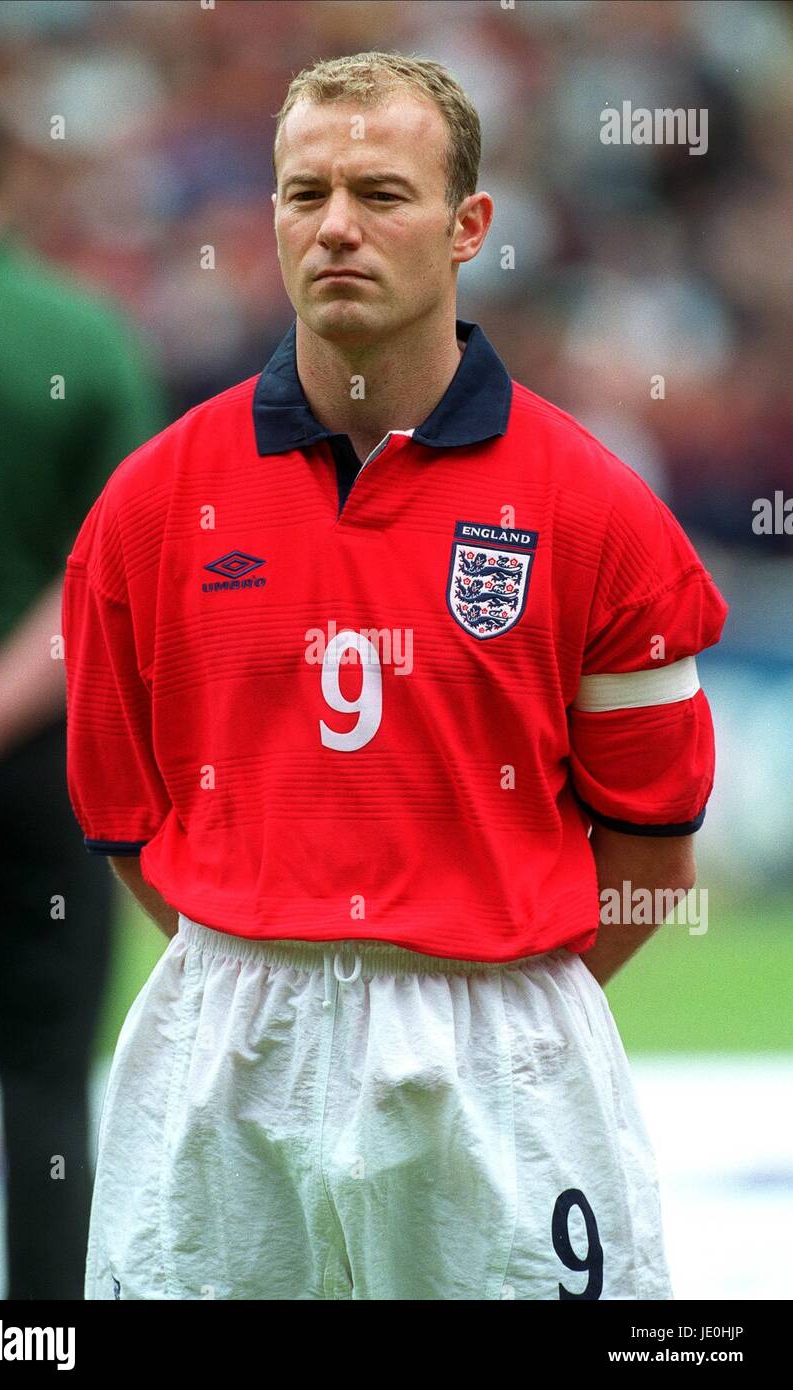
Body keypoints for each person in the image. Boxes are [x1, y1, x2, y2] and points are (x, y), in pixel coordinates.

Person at [64, 53, 728, 1301]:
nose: (334, 229)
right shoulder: (153, 504)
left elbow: (651, 857)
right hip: (227, 1045)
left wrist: (482, 992)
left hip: (502, 1048)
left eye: (380, 193)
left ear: (468, 225)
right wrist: (284, 956)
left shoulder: (596, 511)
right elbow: (127, 821)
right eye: (302, 193)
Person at [0, 79, 167, 1299]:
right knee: (46, 1084)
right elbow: (112, 573)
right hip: (38, 755)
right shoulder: (80, 335)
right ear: (0, 179)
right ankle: (42, 1343)